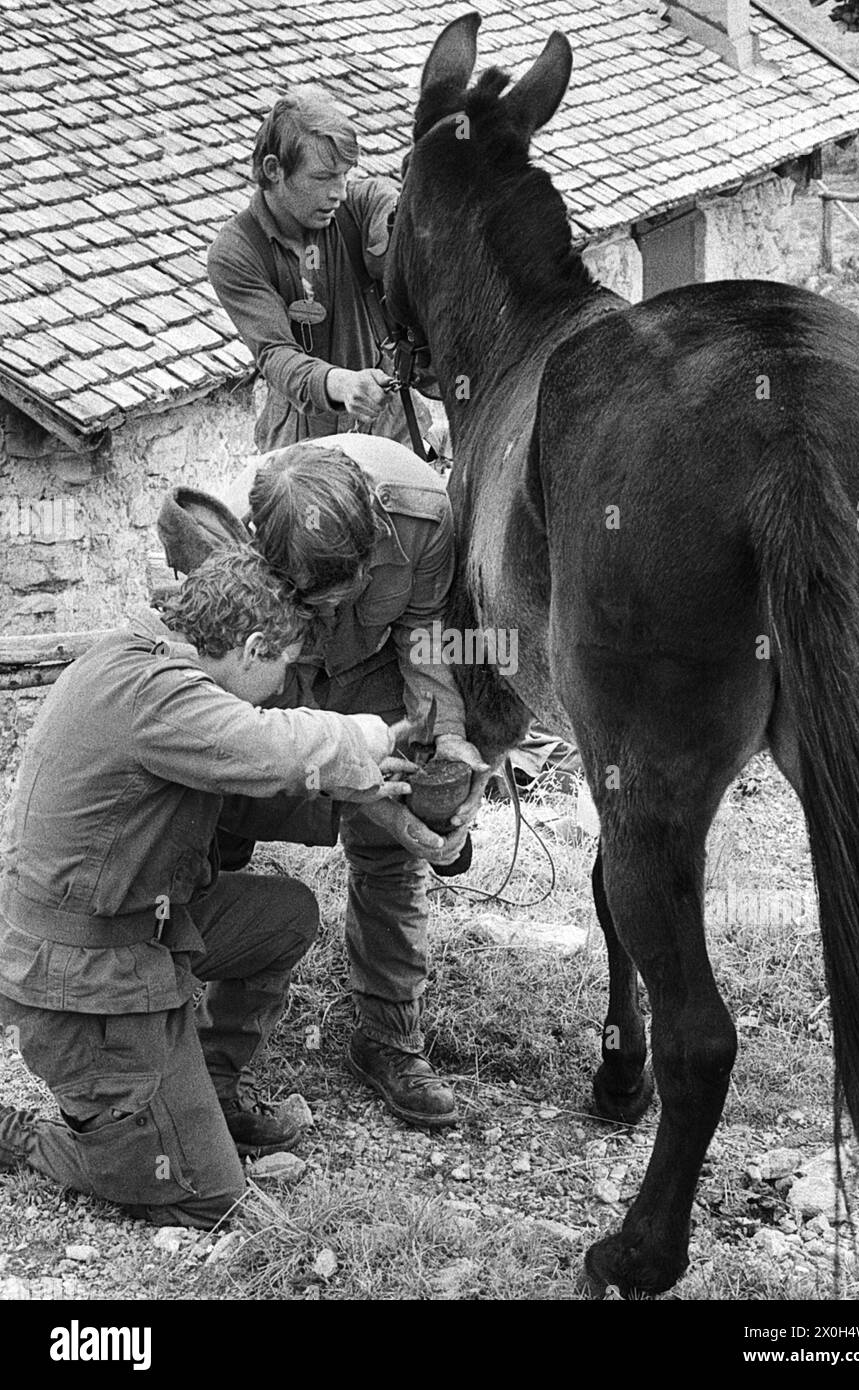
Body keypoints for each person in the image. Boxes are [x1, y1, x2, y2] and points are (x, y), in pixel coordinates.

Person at [0, 547, 409, 1229]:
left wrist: (363, 783)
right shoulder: (155, 691)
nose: (283, 684)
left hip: (136, 934)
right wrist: (358, 734)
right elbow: (269, 745)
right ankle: (27, 1139)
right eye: (282, 665)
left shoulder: (144, 659)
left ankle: (214, 1092)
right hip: (83, 982)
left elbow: (244, 790)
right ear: (251, 646)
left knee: (284, 916)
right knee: (204, 1195)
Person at [160, 436, 493, 1129]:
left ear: (376, 534)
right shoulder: (233, 534)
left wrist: (449, 732)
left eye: (353, 586)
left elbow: (426, 636)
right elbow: (218, 670)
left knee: (391, 845)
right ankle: (177, 1018)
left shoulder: (422, 516)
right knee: (212, 823)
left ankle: (388, 1038)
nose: (338, 609)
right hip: (268, 678)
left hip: (375, 677)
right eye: (318, 597)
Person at [207, 86, 434, 453]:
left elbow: (397, 248)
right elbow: (276, 354)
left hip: (393, 431)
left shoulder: (362, 206)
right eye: (323, 178)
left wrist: (404, 231)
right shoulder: (236, 252)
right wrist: (341, 384)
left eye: (344, 176)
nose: (339, 192)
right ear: (273, 170)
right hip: (304, 451)